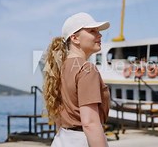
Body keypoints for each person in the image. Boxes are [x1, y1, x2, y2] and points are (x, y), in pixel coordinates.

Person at [43, 12, 110, 147]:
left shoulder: (59, 68)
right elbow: (90, 123)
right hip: (82, 141)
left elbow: (59, 116)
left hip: (62, 139)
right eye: (92, 31)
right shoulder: (86, 69)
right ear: (75, 38)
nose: (100, 35)